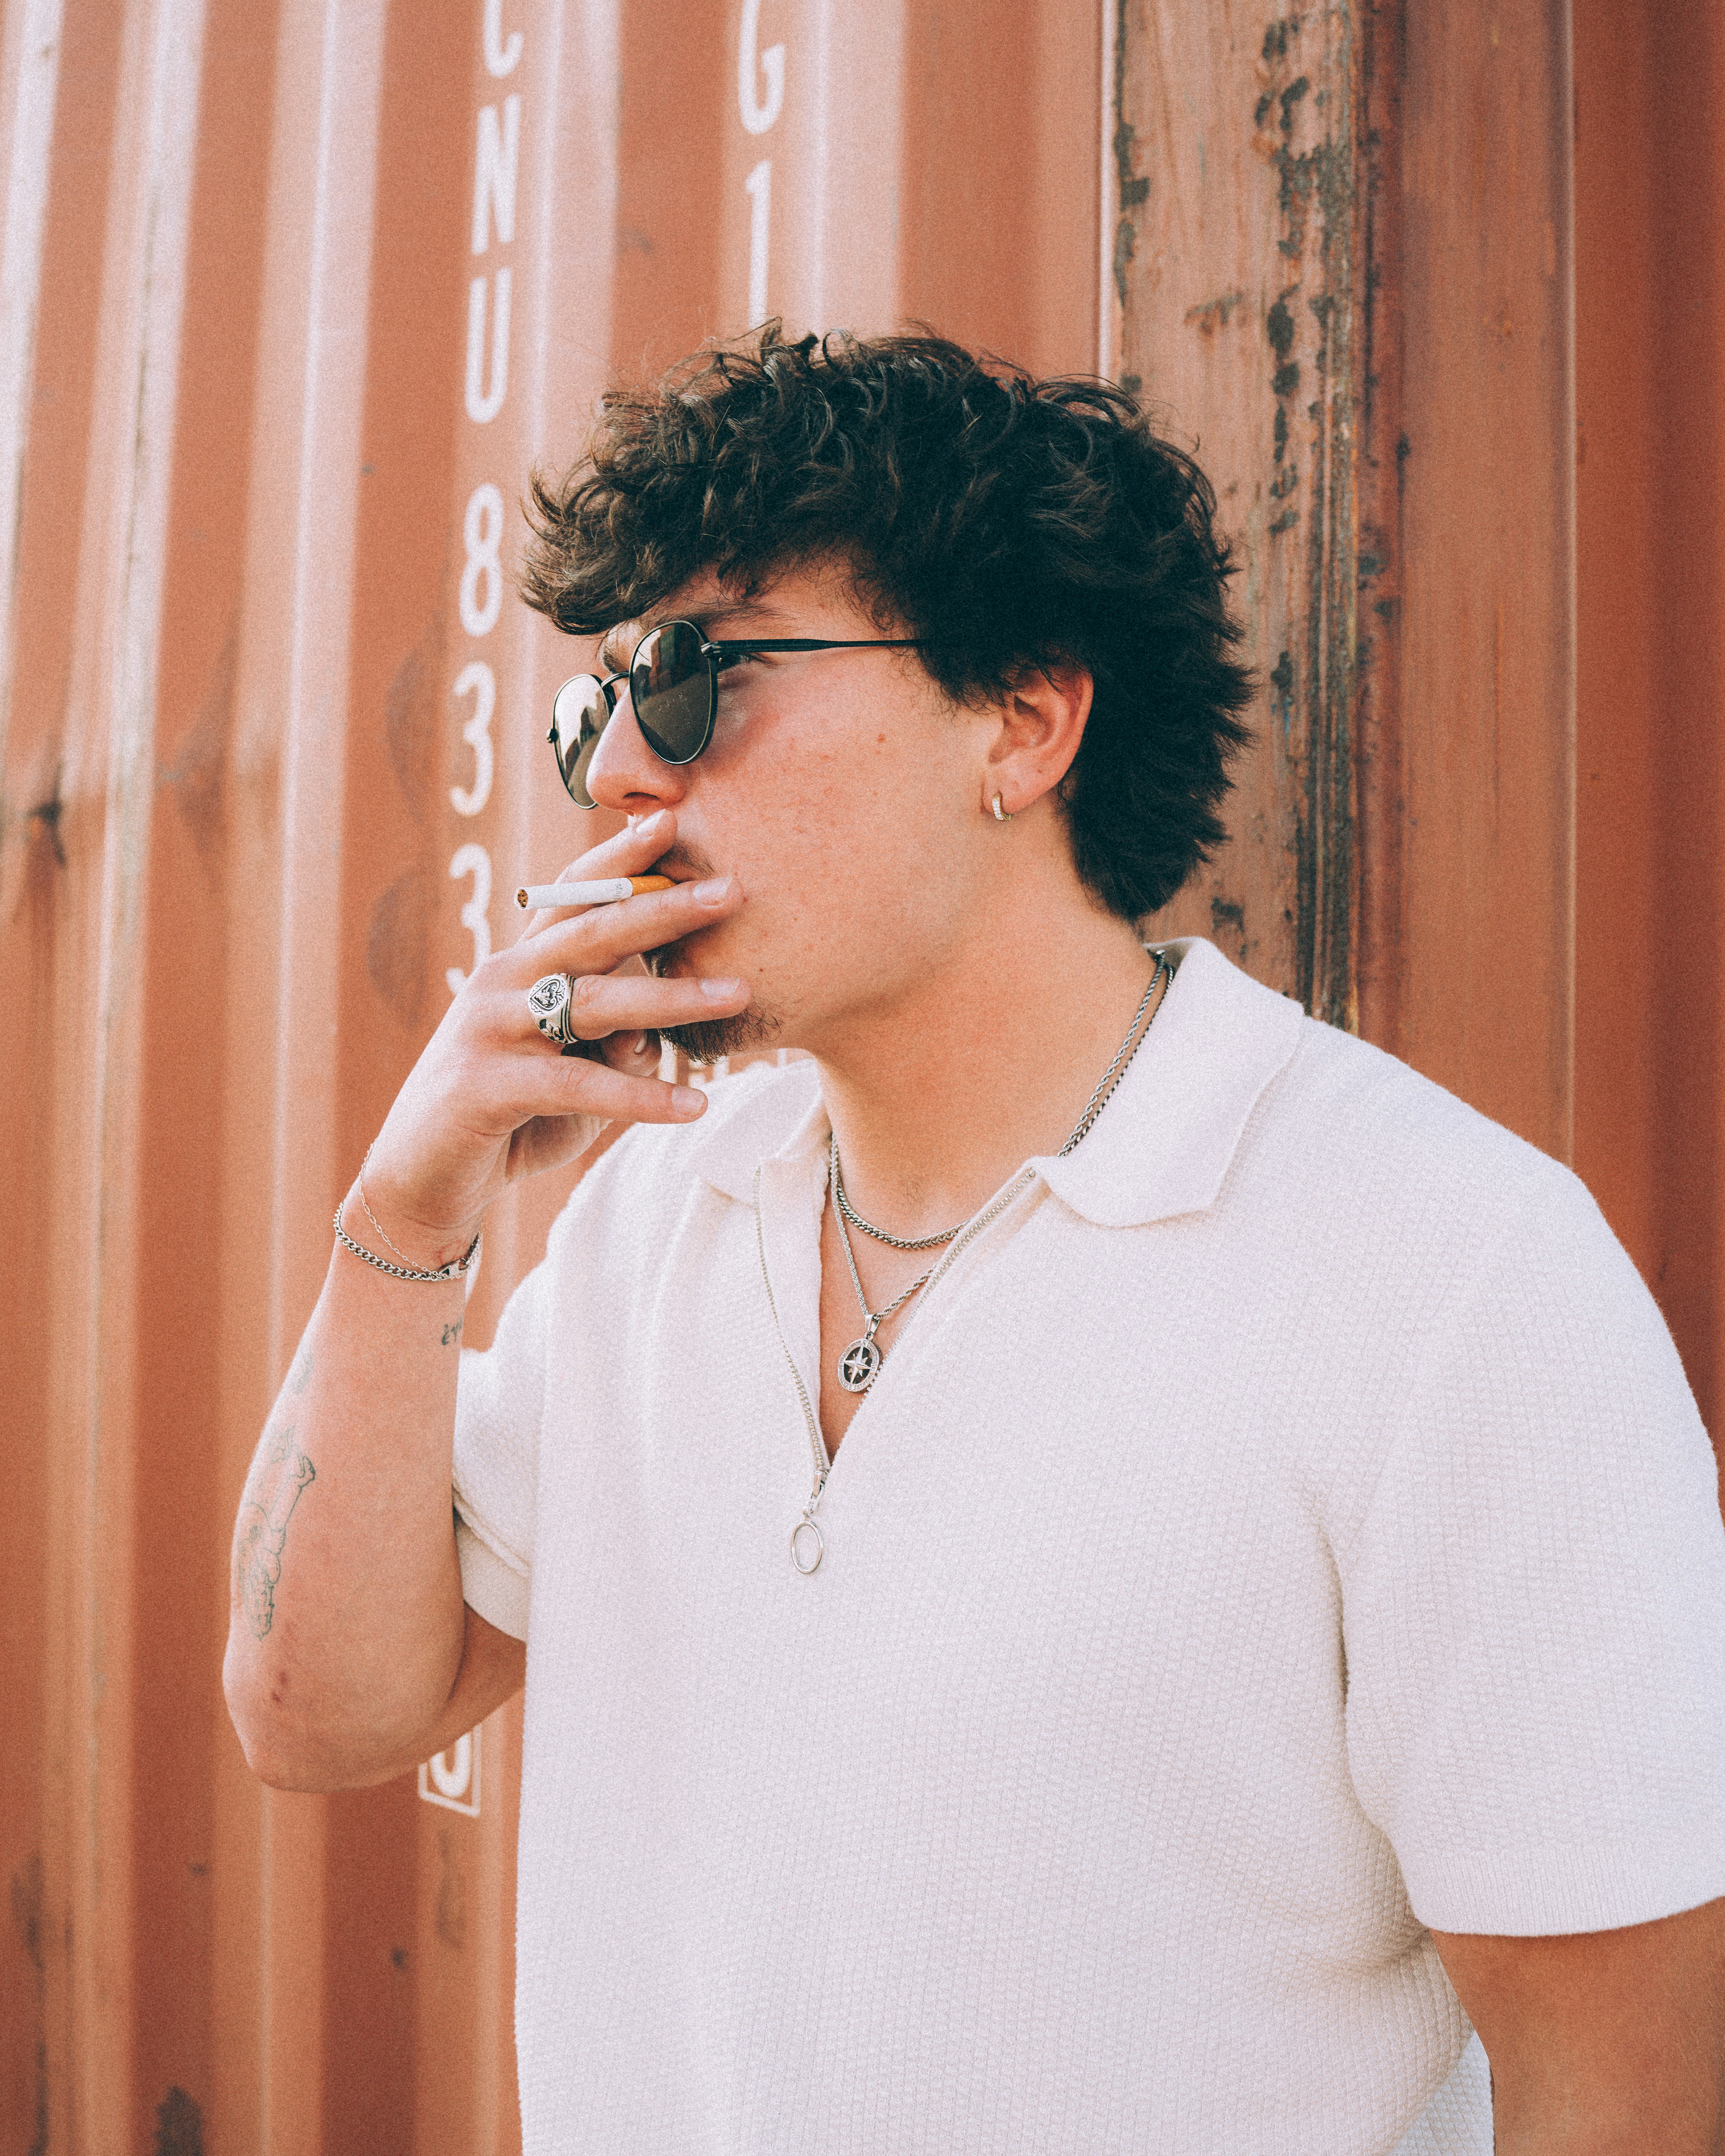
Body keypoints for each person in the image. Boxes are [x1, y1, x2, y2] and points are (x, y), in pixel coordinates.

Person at [224, 329, 1725, 2155]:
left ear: (1021, 719)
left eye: (697, 674)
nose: (617, 767)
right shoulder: (652, 1215)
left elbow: (1626, 2093)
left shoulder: (1444, 1272)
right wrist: (407, 1211)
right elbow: (313, 1713)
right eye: (596, 704)